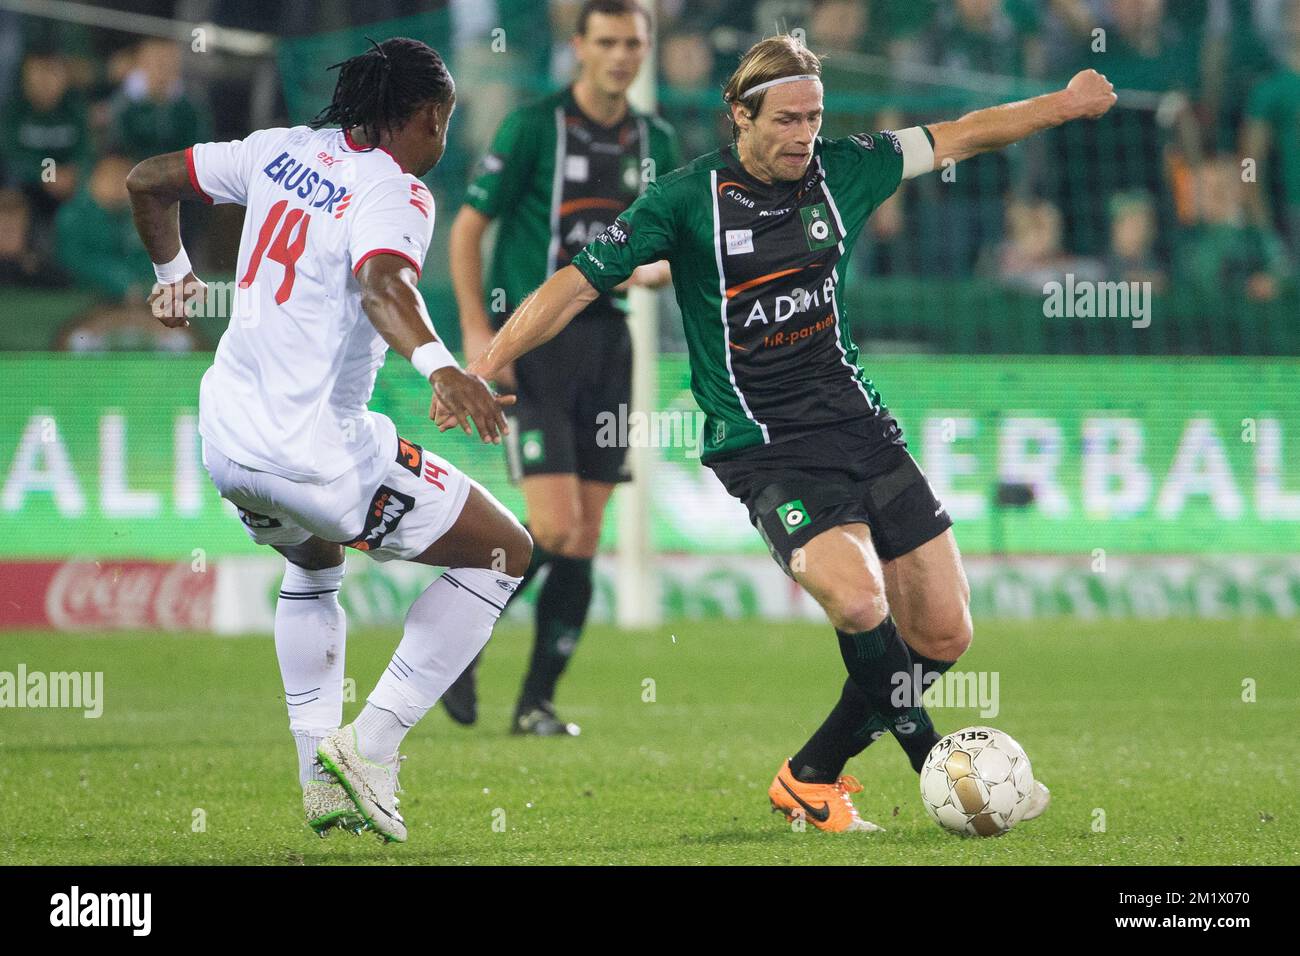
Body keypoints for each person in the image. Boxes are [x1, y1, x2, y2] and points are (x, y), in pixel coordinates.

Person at [463, 34, 1116, 831]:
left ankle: (810, 776)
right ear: (740, 114)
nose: (805, 134)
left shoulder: (846, 167)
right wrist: (485, 360)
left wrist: (1067, 104)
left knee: (944, 630)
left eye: (815, 116)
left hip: (859, 424)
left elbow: (966, 133)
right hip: (763, 443)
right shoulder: (682, 199)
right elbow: (570, 286)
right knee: (856, 596)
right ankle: (940, 764)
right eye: (787, 119)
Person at [126, 37, 529, 844]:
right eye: (444, 122)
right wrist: (442, 369)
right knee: (504, 552)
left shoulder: (277, 151)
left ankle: (321, 780)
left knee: (314, 569)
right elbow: (385, 285)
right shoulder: (398, 193)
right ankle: (370, 748)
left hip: (229, 444)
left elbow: (148, 180)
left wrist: (175, 277)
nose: (443, 141)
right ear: (424, 117)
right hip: (318, 458)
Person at [444, 0, 679, 736]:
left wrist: (651, 272)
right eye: (606, 42)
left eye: (632, 43)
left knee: (584, 538)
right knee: (550, 524)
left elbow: (676, 246)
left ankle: (535, 706)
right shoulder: (532, 125)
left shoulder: (657, 140)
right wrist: (482, 335)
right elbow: (468, 227)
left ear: (647, 48)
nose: (620, 56)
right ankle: (455, 647)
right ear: (579, 46)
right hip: (534, 348)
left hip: (610, 349)